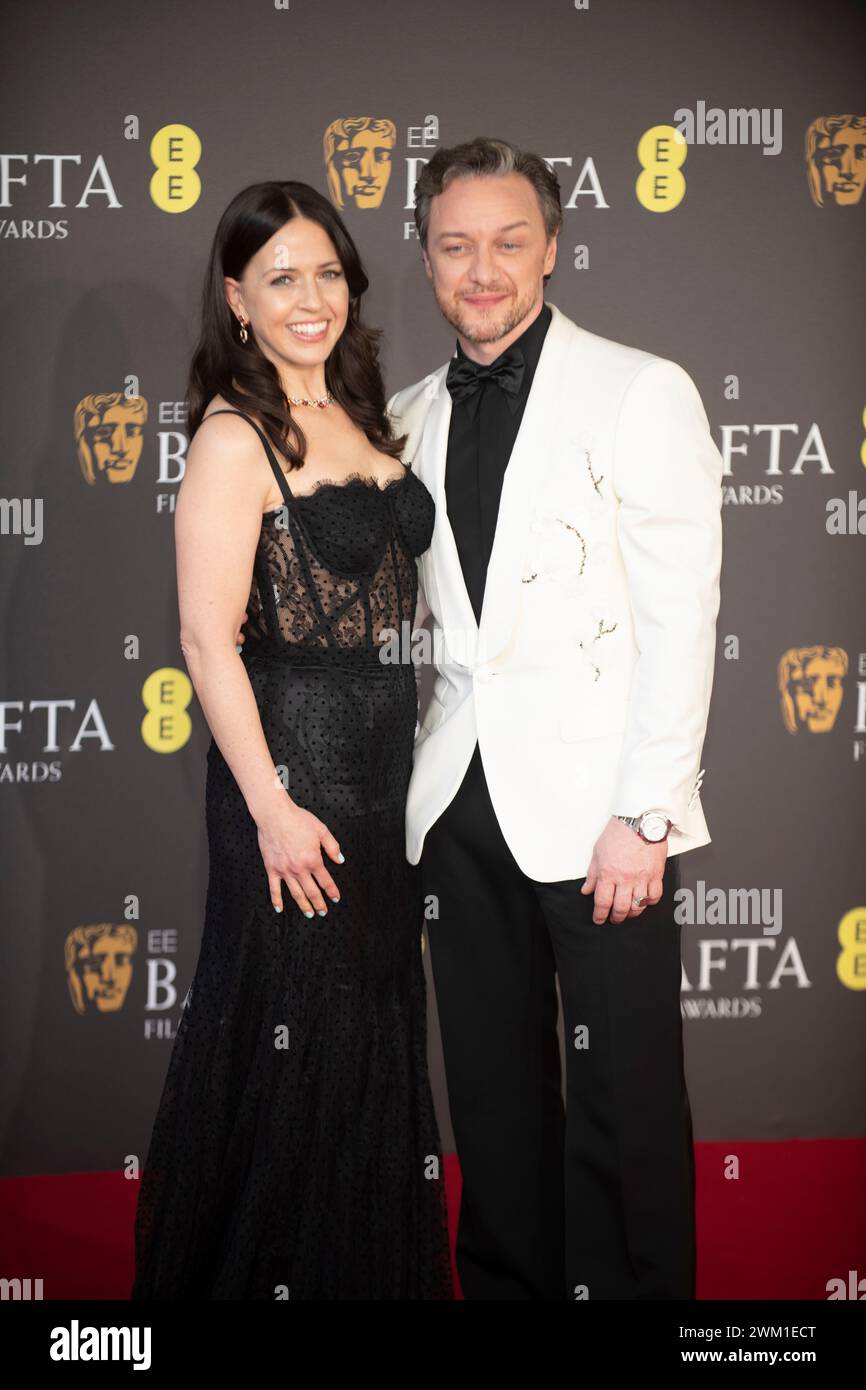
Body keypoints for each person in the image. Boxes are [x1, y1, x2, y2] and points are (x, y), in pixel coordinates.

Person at [386, 137, 724, 1300]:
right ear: (425, 260)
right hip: (460, 801)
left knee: (626, 1099)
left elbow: (683, 621)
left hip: (602, 820)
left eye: (507, 242)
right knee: (491, 1096)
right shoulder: (405, 414)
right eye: (455, 246)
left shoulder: (638, 387)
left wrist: (647, 812)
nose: (482, 271)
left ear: (551, 247)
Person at [130, 180, 452, 1300]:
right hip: (292, 780)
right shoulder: (233, 435)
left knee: (364, 1029)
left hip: (383, 774)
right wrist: (269, 806)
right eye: (280, 278)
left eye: (325, 271)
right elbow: (206, 641)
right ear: (238, 298)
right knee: (286, 1034)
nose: (308, 297)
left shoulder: (368, 413)